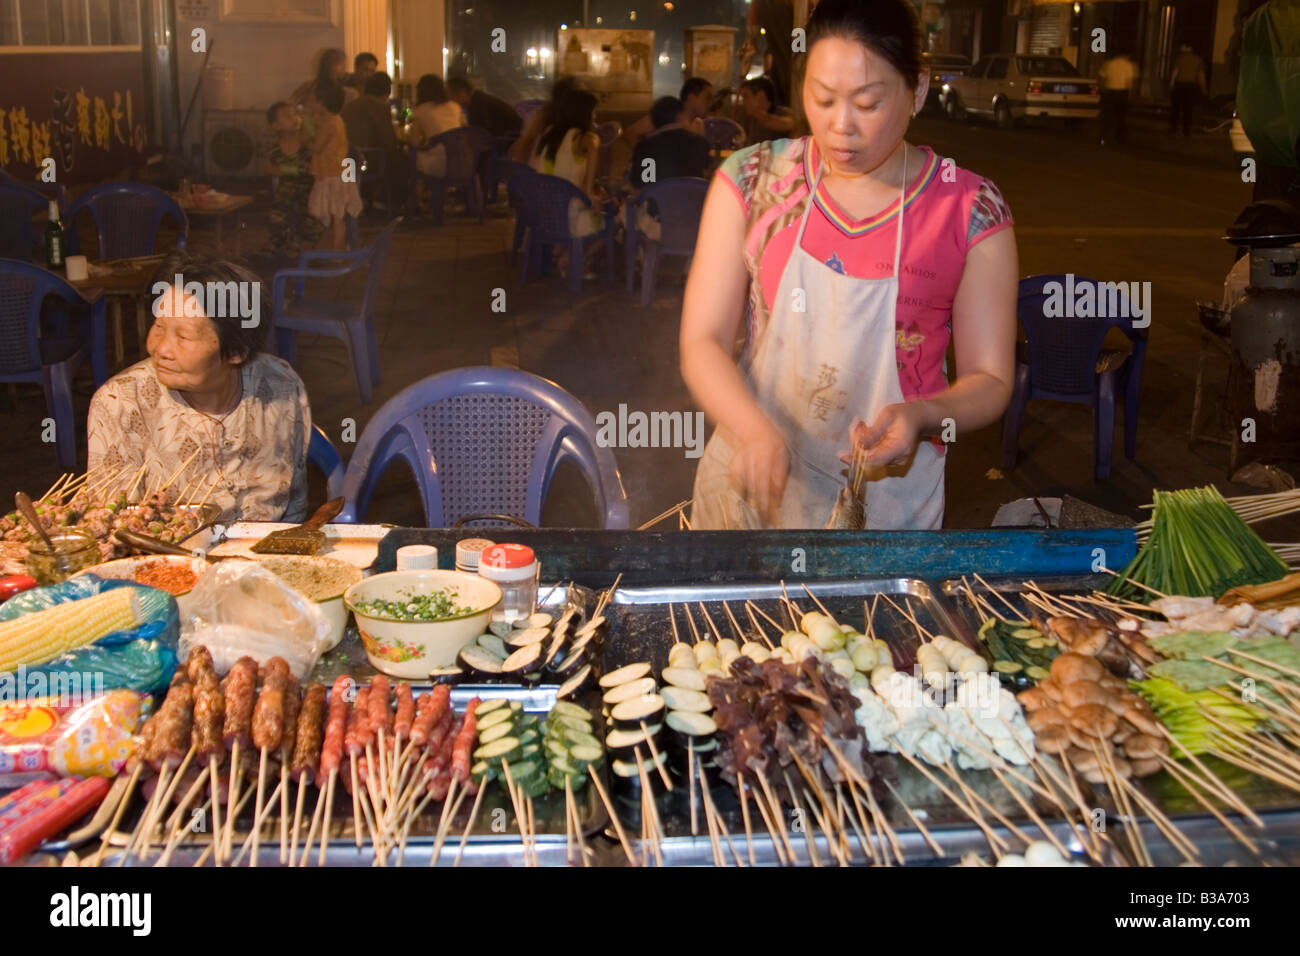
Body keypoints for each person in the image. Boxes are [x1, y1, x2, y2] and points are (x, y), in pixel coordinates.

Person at [680, 0, 1017, 530]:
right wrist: (753, 430)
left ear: (918, 91)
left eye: (867, 103)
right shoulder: (755, 181)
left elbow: (992, 378)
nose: (841, 127)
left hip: (887, 508)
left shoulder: (969, 209)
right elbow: (702, 340)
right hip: (749, 495)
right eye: (823, 98)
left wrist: (924, 415)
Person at [87, 255, 312, 523]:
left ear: (236, 351)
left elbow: (294, 505)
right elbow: (114, 524)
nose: (160, 349)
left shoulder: (280, 386)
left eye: (183, 336)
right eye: (158, 326)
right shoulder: (121, 404)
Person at [529, 89, 606, 238]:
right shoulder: (583, 138)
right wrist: (590, 193)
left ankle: (561, 252)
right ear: (585, 114)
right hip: (568, 214)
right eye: (593, 112)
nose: (595, 117)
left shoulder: (548, 134)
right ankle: (568, 257)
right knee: (612, 222)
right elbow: (593, 144)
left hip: (541, 214)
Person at [306, 81, 363, 250]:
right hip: (337, 173)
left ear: (322, 102)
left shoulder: (329, 123)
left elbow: (317, 146)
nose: (310, 103)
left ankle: (336, 251)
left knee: (335, 217)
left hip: (332, 175)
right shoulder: (336, 120)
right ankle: (335, 250)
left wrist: (306, 139)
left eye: (313, 100)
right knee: (336, 216)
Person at [265, 101, 324, 259]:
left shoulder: (307, 142)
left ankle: (296, 243)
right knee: (277, 215)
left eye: (295, 115)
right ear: (276, 126)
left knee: (311, 224)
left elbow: (318, 150)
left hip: (310, 190)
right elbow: (269, 168)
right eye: (287, 117)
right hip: (286, 191)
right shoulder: (275, 147)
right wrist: (292, 169)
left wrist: (307, 120)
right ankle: (278, 244)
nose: (294, 119)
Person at [341, 71, 405, 206]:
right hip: (370, 160)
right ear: (387, 91)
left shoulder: (349, 107)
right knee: (401, 159)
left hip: (347, 159)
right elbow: (387, 140)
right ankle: (393, 203)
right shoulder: (381, 107)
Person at [630, 96, 711, 186]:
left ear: (654, 120)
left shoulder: (646, 147)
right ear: (679, 116)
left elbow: (643, 183)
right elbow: (706, 174)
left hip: (658, 198)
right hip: (694, 197)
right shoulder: (700, 143)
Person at [623, 77, 715, 148]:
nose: (711, 103)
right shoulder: (667, 115)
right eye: (707, 98)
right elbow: (631, 133)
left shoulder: (698, 125)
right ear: (691, 97)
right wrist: (647, 160)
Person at [511, 76, 583, 163]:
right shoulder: (544, 116)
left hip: (541, 172)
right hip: (546, 171)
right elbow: (522, 145)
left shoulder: (543, 115)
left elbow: (522, 145)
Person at [410, 74, 466, 177]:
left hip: (439, 165)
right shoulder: (455, 107)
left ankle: (419, 190)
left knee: (412, 157)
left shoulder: (420, 110)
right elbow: (465, 130)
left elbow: (415, 142)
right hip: (464, 163)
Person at [446, 75, 523, 139]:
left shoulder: (477, 104)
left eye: (453, 95)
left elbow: (480, 133)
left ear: (462, 92)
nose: (453, 101)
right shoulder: (478, 99)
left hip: (509, 139)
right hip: (510, 135)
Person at [738, 76, 796, 144]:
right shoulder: (751, 119)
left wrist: (758, 112)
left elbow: (788, 124)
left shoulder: (784, 113)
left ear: (760, 96)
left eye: (746, 96)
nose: (743, 102)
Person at [1098, 52, 1139, 145]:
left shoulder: (1109, 63)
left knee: (1107, 115)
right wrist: (1131, 94)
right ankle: (1119, 138)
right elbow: (1130, 80)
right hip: (1122, 91)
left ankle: (1103, 137)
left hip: (1109, 90)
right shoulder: (1128, 65)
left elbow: (1102, 77)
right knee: (1121, 116)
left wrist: (1102, 89)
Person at [1168, 43, 1207, 137]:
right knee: (1188, 108)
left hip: (1179, 85)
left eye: (1183, 46)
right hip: (1191, 86)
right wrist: (1204, 88)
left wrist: (1171, 84)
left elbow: (1175, 72)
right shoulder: (1198, 60)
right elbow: (1201, 76)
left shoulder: (1179, 58)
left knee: (1176, 108)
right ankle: (1186, 130)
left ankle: (1174, 128)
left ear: (1188, 47)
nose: (1181, 48)